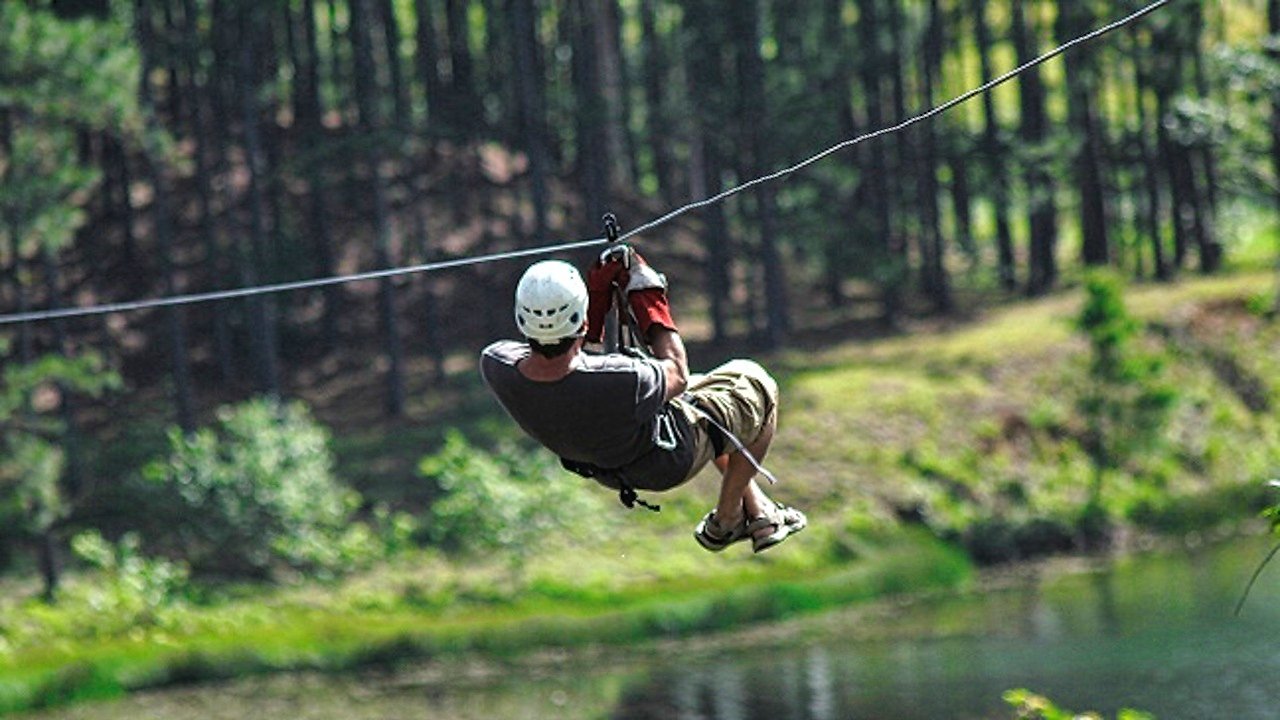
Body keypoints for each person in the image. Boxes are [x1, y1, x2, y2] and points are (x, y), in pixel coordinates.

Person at [479, 249, 805, 553]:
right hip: (668, 458)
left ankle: (760, 511)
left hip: (607, 469)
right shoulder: (621, 379)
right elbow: (676, 372)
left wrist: (597, 299)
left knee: (706, 393)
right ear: (581, 319)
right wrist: (647, 294)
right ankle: (727, 520)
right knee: (755, 382)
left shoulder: (497, 366)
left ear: (521, 318)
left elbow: (572, 360)